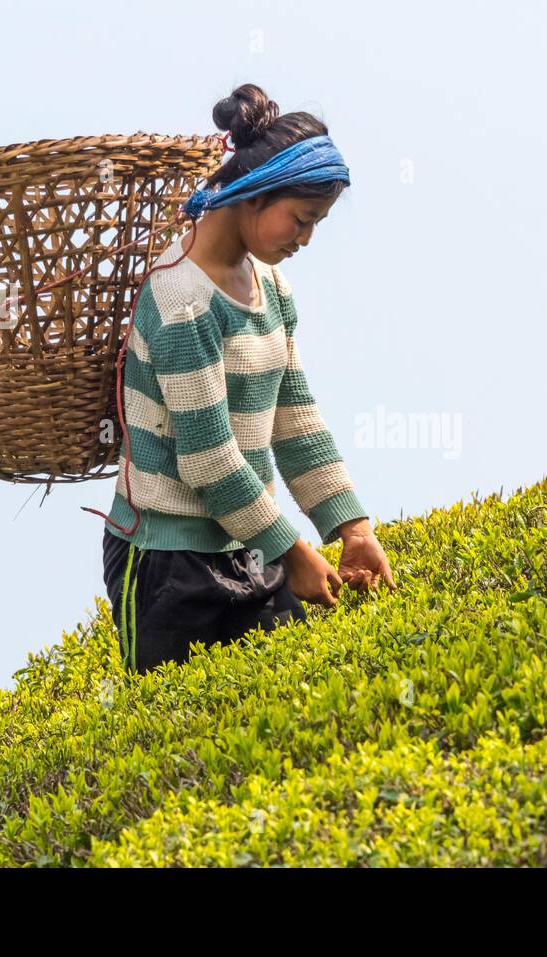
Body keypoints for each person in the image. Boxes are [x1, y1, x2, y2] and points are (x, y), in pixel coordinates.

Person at [101, 82, 395, 674]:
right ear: (254, 195)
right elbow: (208, 460)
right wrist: (292, 552)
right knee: (171, 736)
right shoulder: (181, 296)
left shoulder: (273, 292)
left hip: (250, 544)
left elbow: (295, 420)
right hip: (167, 562)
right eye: (302, 218)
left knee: (284, 701)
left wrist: (350, 525)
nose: (306, 238)